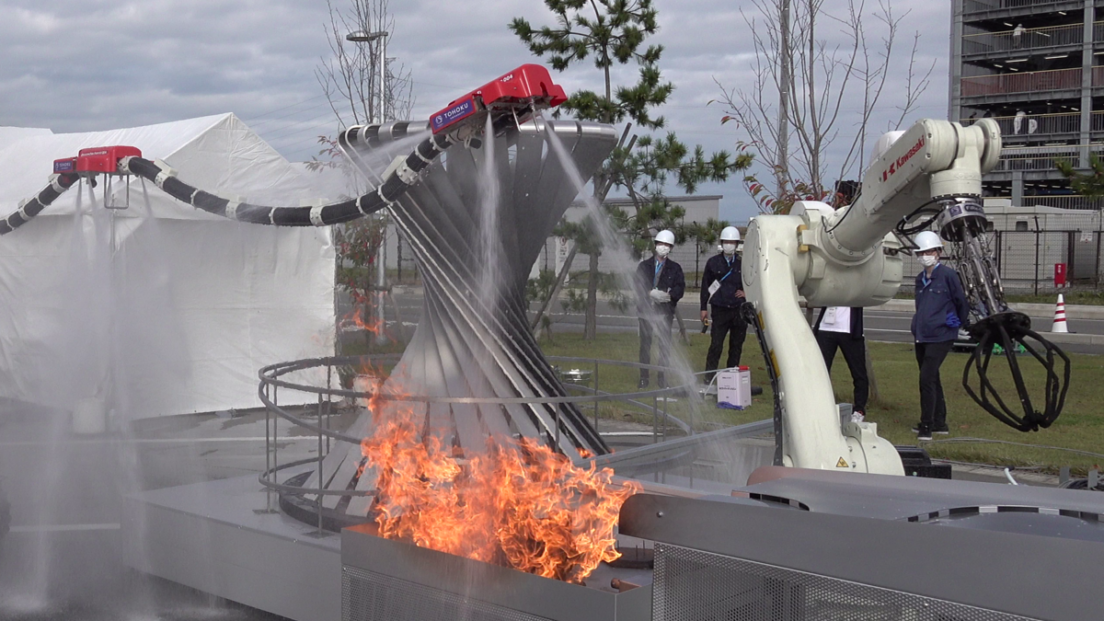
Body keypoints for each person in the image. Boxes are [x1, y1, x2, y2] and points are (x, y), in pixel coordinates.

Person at [910, 231, 970, 441]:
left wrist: (955, 324)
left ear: (938, 252)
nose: (925, 255)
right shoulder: (920, 280)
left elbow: (961, 302)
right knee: (932, 377)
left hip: (941, 336)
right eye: (922, 252)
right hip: (922, 335)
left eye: (929, 251)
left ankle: (927, 424)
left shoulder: (948, 276)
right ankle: (939, 422)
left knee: (926, 378)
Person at [636, 229, 685, 388]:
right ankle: (644, 377)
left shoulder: (675, 268)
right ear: (655, 245)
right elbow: (637, 285)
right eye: (661, 244)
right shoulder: (644, 266)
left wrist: (669, 296)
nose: (663, 247)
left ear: (670, 248)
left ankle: (662, 378)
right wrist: (649, 293)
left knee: (664, 346)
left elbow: (680, 288)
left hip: (664, 313)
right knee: (645, 345)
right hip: (646, 312)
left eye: (667, 245)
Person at [700, 226, 747, 383]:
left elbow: (753, 282)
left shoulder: (743, 264)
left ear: (737, 244)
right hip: (720, 309)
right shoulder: (713, 263)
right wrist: (703, 307)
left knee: (736, 345)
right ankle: (709, 377)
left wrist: (747, 294)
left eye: (732, 242)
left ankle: (731, 376)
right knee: (716, 345)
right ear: (722, 243)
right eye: (726, 241)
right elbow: (706, 286)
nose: (729, 245)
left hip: (738, 310)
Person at [813, 306, 868, 423]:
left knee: (859, 372)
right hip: (826, 328)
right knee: (820, 373)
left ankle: (859, 410)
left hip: (849, 330)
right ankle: (820, 408)